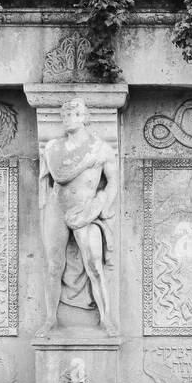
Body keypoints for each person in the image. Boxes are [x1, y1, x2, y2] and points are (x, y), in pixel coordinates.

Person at [37, 97, 119, 337]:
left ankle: (106, 320)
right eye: (65, 115)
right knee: (54, 266)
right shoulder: (53, 146)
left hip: (85, 210)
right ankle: (50, 318)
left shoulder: (102, 148)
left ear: (85, 117)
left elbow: (113, 181)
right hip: (57, 208)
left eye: (74, 114)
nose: (68, 119)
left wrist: (101, 202)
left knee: (94, 264)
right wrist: (87, 162)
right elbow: (59, 176)